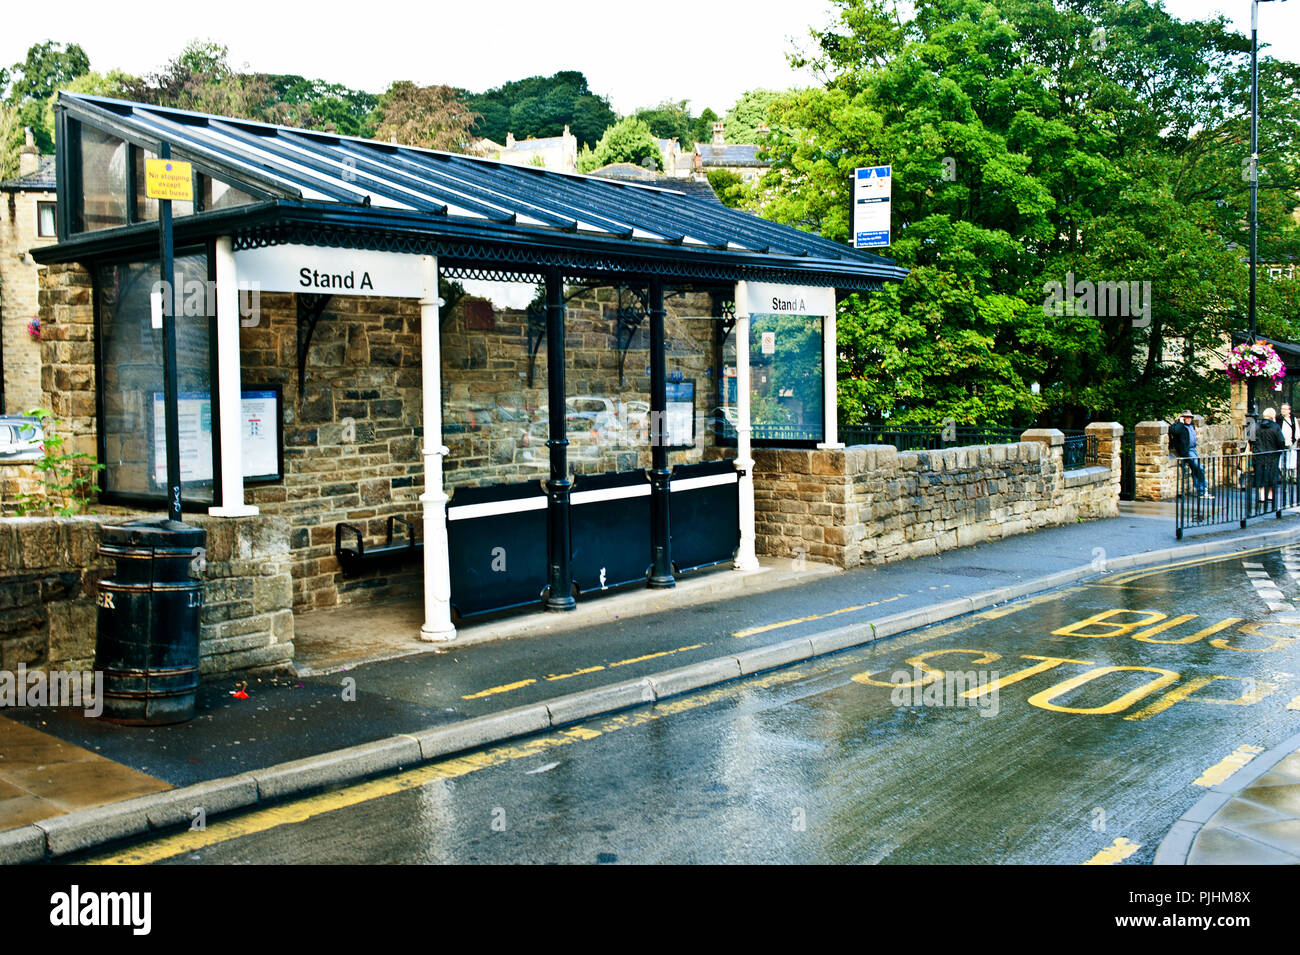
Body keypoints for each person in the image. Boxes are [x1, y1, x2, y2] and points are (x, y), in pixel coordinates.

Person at [1169, 411, 1210, 498]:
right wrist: (1180, 422)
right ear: (1182, 418)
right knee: (1199, 467)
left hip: (1193, 450)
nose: (1189, 419)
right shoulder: (1179, 426)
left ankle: (1201, 491)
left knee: (1196, 469)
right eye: (1186, 417)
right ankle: (1203, 489)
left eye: (1190, 417)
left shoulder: (1191, 425)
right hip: (1187, 451)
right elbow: (1174, 431)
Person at [1253, 407, 1285, 511]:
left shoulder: (1256, 425)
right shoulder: (1275, 426)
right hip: (1272, 455)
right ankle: (1270, 495)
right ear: (1273, 416)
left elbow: (1250, 439)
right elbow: (1281, 441)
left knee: (1260, 474)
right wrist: (1280, 450)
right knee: (1271, 474)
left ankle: (1261, 495)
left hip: (1259, 455)